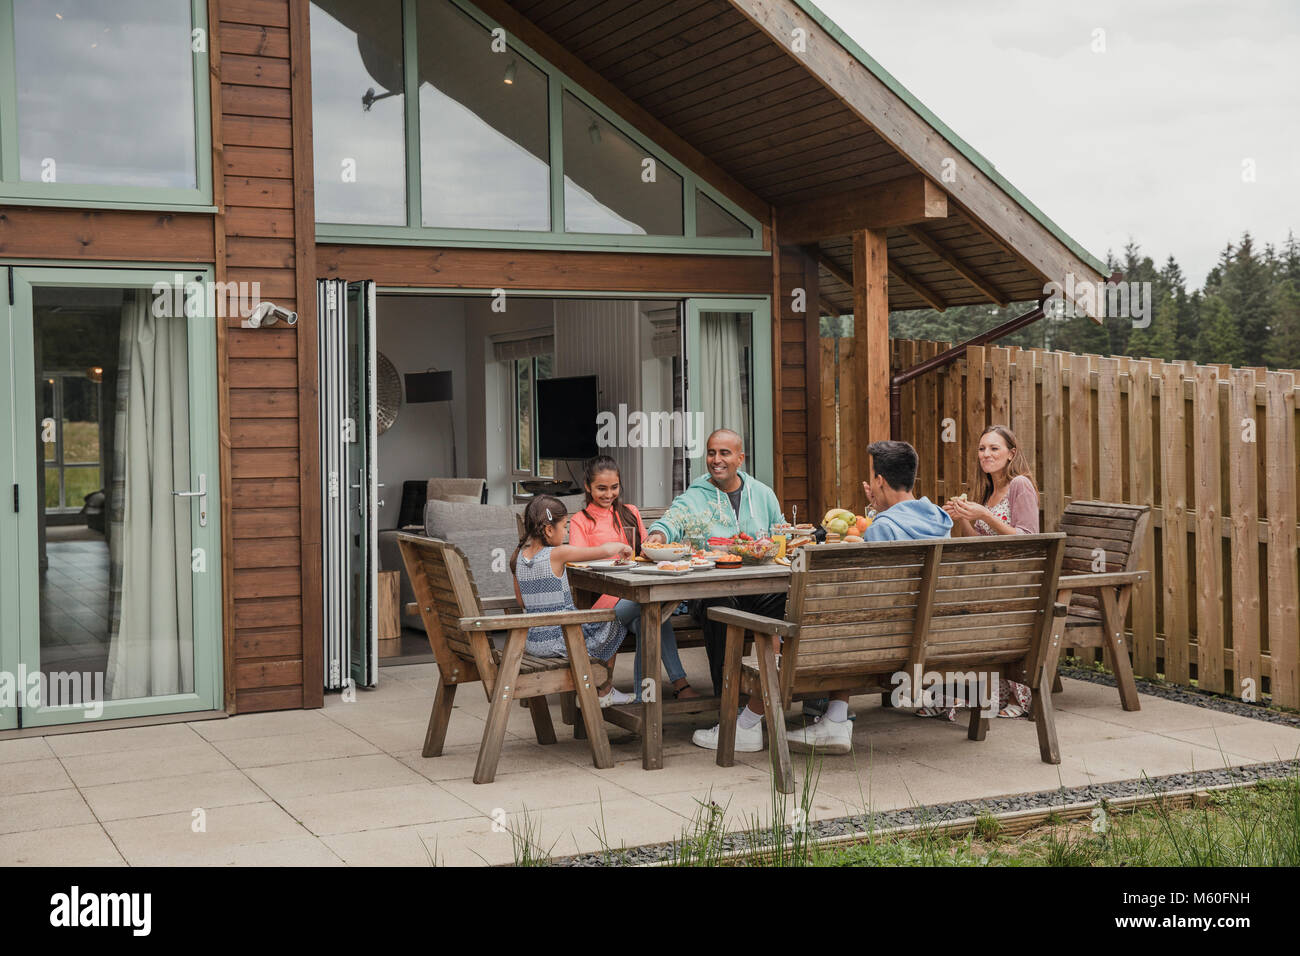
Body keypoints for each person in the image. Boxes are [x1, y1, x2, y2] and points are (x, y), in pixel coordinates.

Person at [728, 440, 953, 755]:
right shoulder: (941, 521)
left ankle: (747, 724)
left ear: (880, 481)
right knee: (845, 625)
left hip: (872, 646)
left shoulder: (883, 529)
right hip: (930, 640)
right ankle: (834, 718)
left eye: (872, 476)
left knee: (800, 627)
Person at [643, 428, 785, 709]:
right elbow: (673, 520)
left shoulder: (762, 494)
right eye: (711, 452)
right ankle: (727, 701)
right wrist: (658, 535)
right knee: (720, 605)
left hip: (755, 589)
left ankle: (771, 693)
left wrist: (776, 541)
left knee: (782, 598)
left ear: (740, 458)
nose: (716, 459)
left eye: (724, 453)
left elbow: (781, 533)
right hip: (708, 591)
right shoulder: (696, 495)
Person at [567, 455, 700, 700]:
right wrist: (609, 551)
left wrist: (661, 546)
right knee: (654, 610)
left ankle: (644, 697)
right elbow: (576, 560)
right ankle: (677, 685)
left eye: (614, 487)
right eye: (601, 488)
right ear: (588, 487)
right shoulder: (581, 521)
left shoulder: (630, 513)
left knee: (652, 619)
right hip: (605, 603)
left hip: (636, 595)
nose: (609, 494)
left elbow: (647, 552)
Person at [941, 424, 1040, 718]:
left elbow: (1029, 539)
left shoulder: (1020, 485)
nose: (986, 454)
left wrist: (984, 515)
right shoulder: (989, 490)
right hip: (989, 578)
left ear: (1011, 454)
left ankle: (1008, 695)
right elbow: (979, 544)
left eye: (994, 448)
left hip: (1017, 582)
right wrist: (962, 518)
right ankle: (962, 691)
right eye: (982, 449)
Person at [510, 495, 636, 707]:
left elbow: (522, 602)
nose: (566, 532)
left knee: (604, 618)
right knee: (617, 619)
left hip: (532, 642)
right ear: (549, 530)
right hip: (563, 640)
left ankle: (602, 689)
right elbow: (599, 551)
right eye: (564, 526)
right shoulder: (557, 554)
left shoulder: (518, 557)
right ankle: (604, 689)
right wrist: (622, 546)